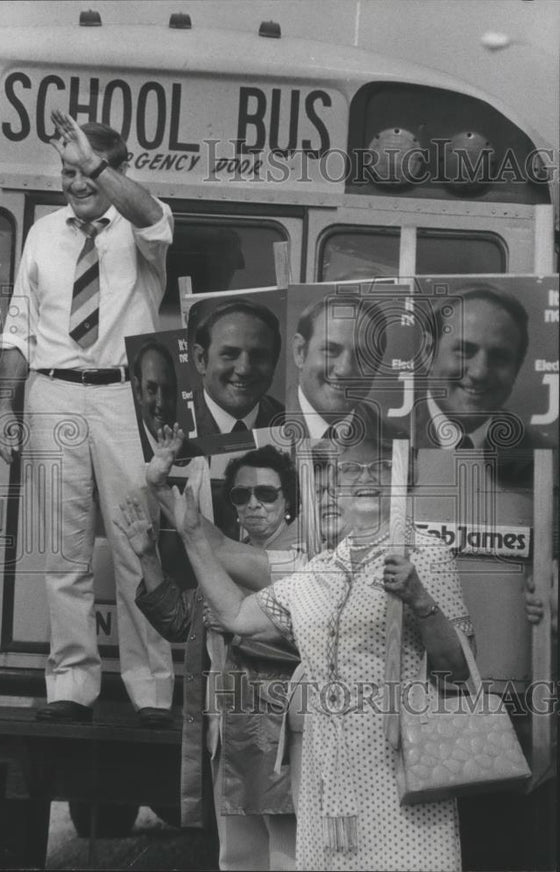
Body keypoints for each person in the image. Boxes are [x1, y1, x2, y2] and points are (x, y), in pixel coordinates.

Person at [171, 437, 473, 871]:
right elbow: (236, 614)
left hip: (401, 769)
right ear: (335, 487)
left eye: (380, 467)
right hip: (325, 775)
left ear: (404, 481)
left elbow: (458, 671)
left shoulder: (427, 556)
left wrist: (420, 599)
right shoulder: (318, 571)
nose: (365, 477)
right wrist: (193, 539)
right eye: (351, 469)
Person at [0, 110, 174, 727]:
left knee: (136, 544)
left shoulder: (142, 226)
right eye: (66, 172)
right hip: (53, 394)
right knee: (62, 550)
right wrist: (4, 403)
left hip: (124, 395)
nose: (74, 183)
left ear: (113, 170)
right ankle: (71, 683)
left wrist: (96, 164)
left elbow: (153, 216)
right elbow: (19, 328)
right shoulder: (43, 233)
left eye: (86, 171)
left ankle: (152, 691)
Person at [119, 435, 302, 870]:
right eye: (241, 495)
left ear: (289, 503)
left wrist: (159, 487)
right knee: (237, 860)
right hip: (228, 734)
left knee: (288, 859)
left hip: (281, 738)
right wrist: (147, 556)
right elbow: (180, 621)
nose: (253, 504)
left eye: (266, 494)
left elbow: (302, 643)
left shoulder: (299, 557)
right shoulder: (221, 563)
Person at [415, 283, 549, 450]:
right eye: (464, 351)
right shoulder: (390, 436)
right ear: (428, 352)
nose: (479, 372)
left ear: (517, 367)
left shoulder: (540, 450)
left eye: (499, 357)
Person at [287, 293, 389, 441]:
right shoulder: (265, 421)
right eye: (331, 350)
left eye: (362, 356)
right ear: (300, 352)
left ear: (377, 365)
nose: (344, 370)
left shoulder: (392, 439)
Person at [189, 300, 285, 439]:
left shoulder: (289, 421)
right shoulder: (177, 423)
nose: (244, 369)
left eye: (258, 355)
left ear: (274, 362)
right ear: (201, 360)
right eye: (230, 354)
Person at [132, 339, 178, 462]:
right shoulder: (129, 446)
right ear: (138, 391)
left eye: (167, 390)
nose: (160, 403)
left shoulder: (192, 451)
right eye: (151, 390)